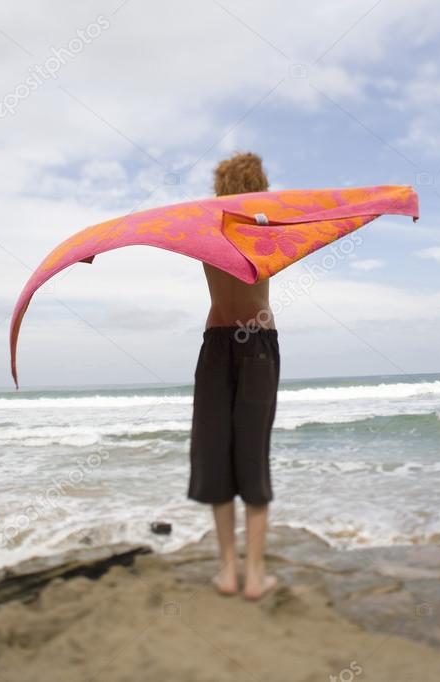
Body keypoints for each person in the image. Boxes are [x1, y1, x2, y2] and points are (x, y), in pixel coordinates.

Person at [188, 151, 280, 600]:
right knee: (253, 458)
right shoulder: (269, 226)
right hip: (257, 342)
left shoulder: (204, 224)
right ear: (261, 183)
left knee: (215, 457)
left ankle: (228, 571)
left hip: (216, 342)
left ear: (219, 185)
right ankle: (256, 576)